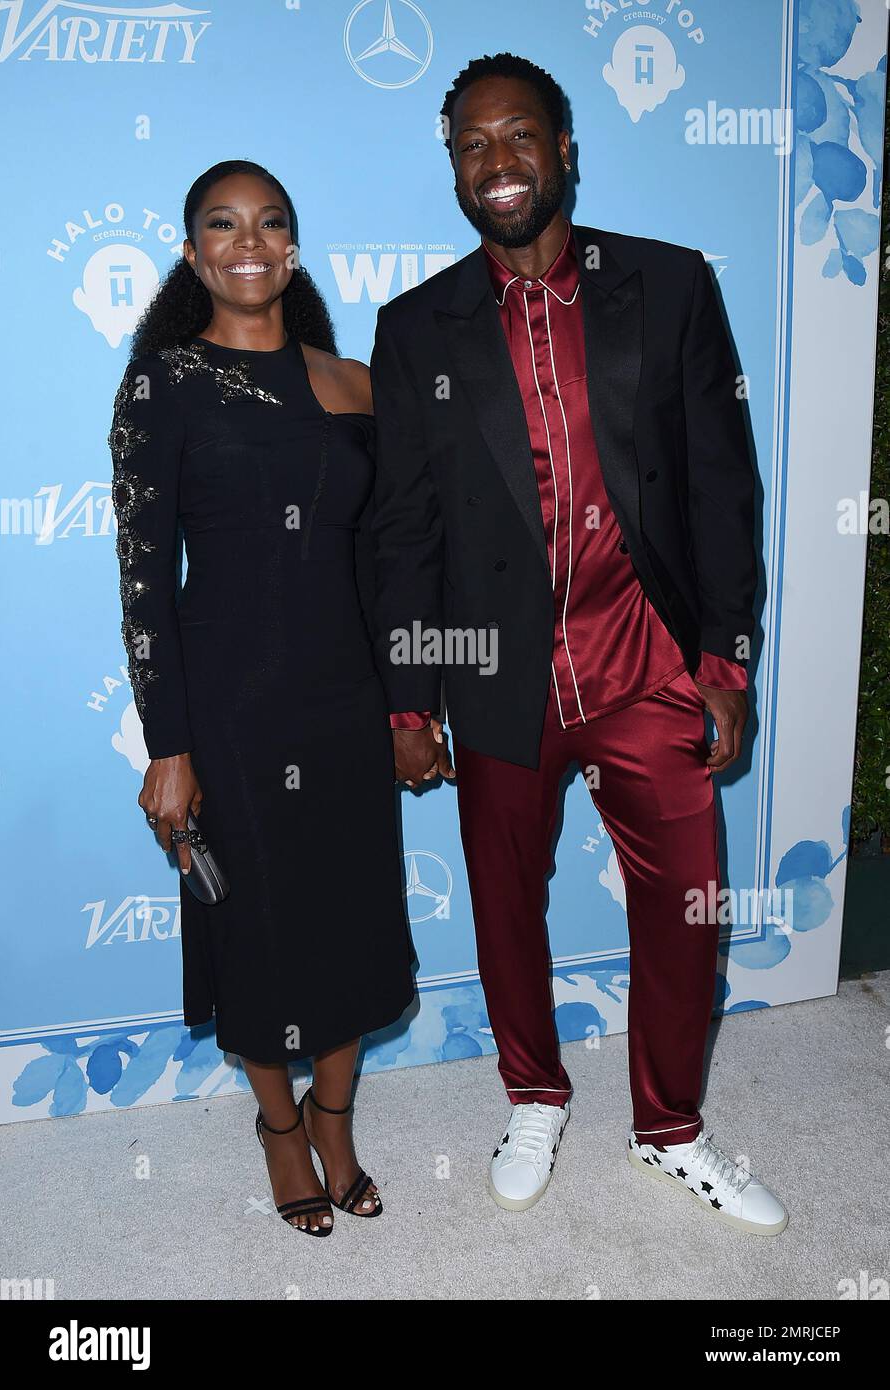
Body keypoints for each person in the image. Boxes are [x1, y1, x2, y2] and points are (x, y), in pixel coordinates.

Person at [370, 54, 787, 1236]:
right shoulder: (415, 330)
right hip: (495, 677)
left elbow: (723, 489)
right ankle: (535, 1094)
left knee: (689, 903)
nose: (495, 165)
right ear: (454, 166)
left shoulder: (666, 287)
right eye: (470, 147)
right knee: (505, 903)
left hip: (645, 658)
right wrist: (409, 703)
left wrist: (725, 662)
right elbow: (400, 532)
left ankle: (673, 1128)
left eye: (517, 139)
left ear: (564, 148)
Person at [109, 160, 415, 1236]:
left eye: (270, 221)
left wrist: (407, 705)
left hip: (344, 694)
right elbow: (144, 574)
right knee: (259, 922)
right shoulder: (163, 382)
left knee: (347, 912)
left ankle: (337, 1116)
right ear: (194, 254)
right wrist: (170, 743)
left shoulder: (356, 386)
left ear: (293, 245)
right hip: (229, 703)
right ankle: (280, 1126)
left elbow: (385, 570)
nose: (249, 240)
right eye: (221, 225)